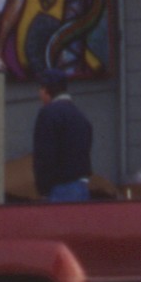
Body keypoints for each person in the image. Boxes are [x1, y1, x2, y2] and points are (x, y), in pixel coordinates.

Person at [31, 66, 95, 201]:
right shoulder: (79, 115)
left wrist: (42, 188)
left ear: (47, 90)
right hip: (82, 186)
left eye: (41, 88)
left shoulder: (48, 114)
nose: (39, 94)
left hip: (59, 189)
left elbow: (45, 155)